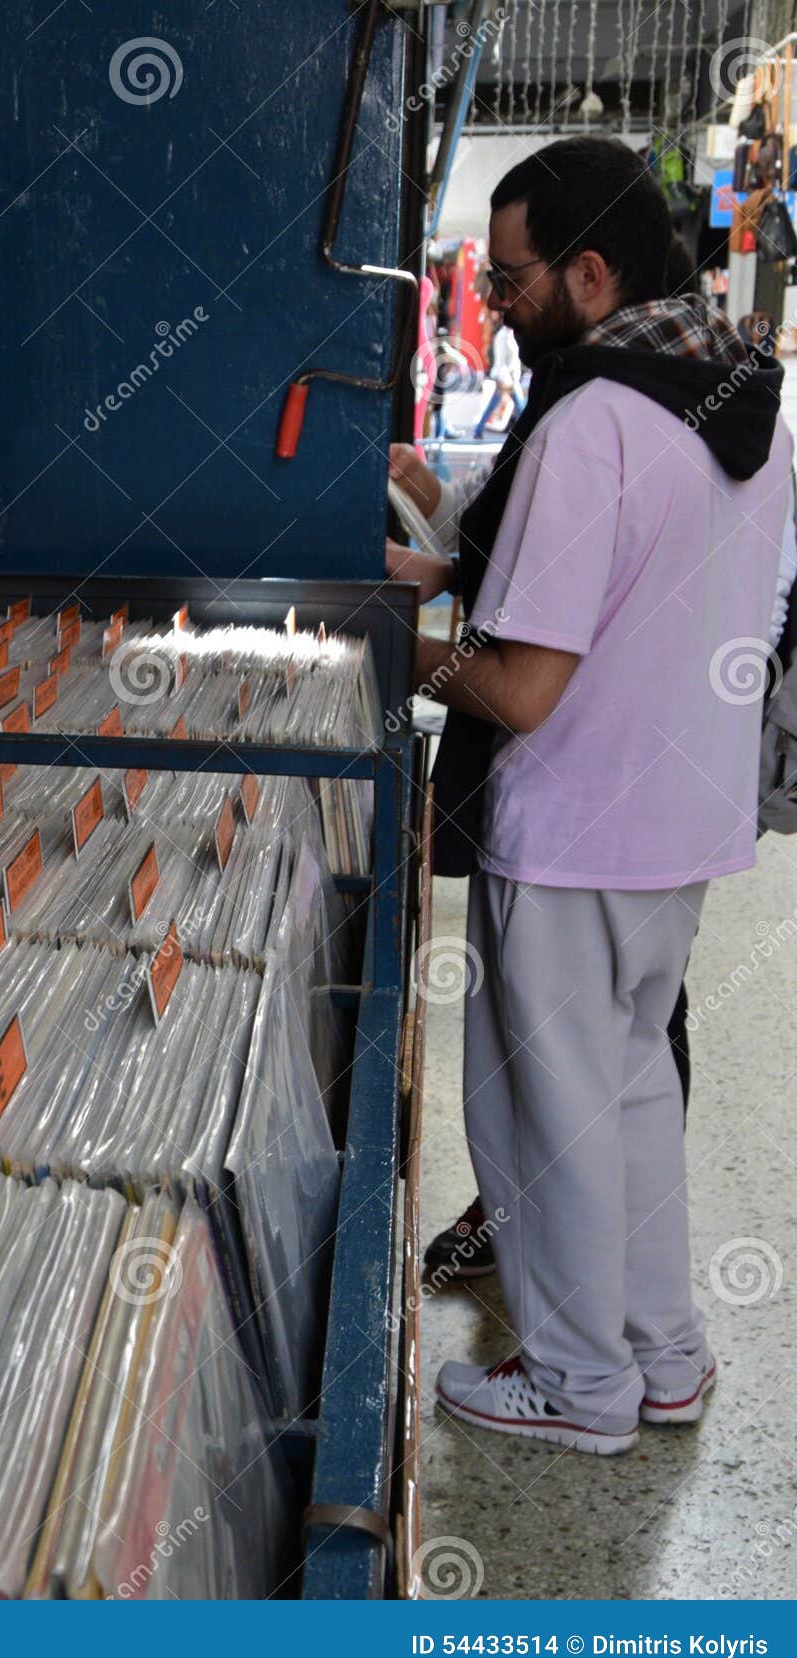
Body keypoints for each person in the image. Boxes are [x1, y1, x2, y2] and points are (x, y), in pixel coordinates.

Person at [385, 137, 790, 1455]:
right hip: (677, 822)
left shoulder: (586, 419)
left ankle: (577, 1385)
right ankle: (666, 1354)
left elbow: (522, 686)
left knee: (546, 1116)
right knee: (630, 1096)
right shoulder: (735, 397)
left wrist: (395, 642)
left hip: (570, 828)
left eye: (510, 279)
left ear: (593, 269)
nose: (493, 301)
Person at [471, 310, 525, 438]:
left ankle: (478, 429)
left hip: (511, 378)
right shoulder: (502, 336)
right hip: (506, 378)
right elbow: (500, 360)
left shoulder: (510, 335)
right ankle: (525, 432)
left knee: (494, 404)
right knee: (520, 406)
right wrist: (505, 379)